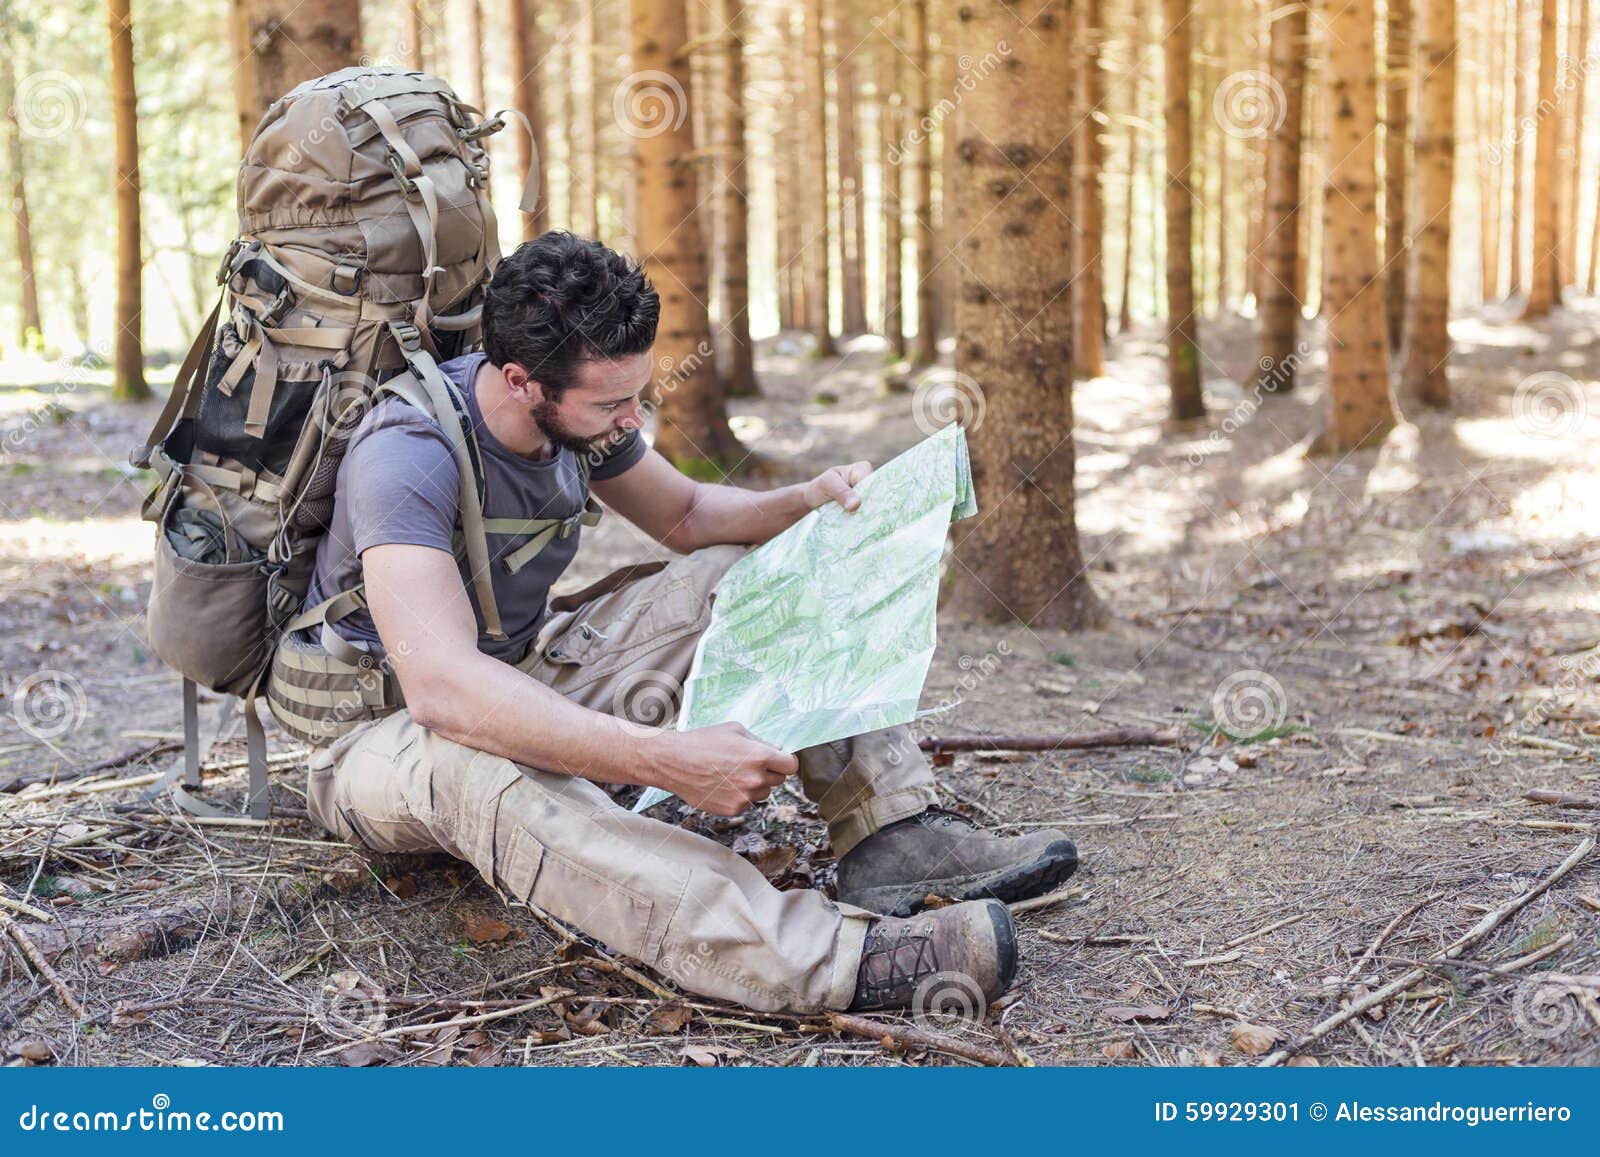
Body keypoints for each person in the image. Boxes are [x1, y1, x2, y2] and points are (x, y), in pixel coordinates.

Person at [283, 232, 1079, 1014]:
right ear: (523, 381)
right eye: (611, 403)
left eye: (638, 394)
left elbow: (691, 513)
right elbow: (443, 690)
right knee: (476, 762)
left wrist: (805, 504)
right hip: (382, 738)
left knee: (744, 574)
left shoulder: (588, 413)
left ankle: (890, 833)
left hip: (517, 671)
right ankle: (832, 958)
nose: (632, 419)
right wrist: (664, 758)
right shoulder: (408, 449)